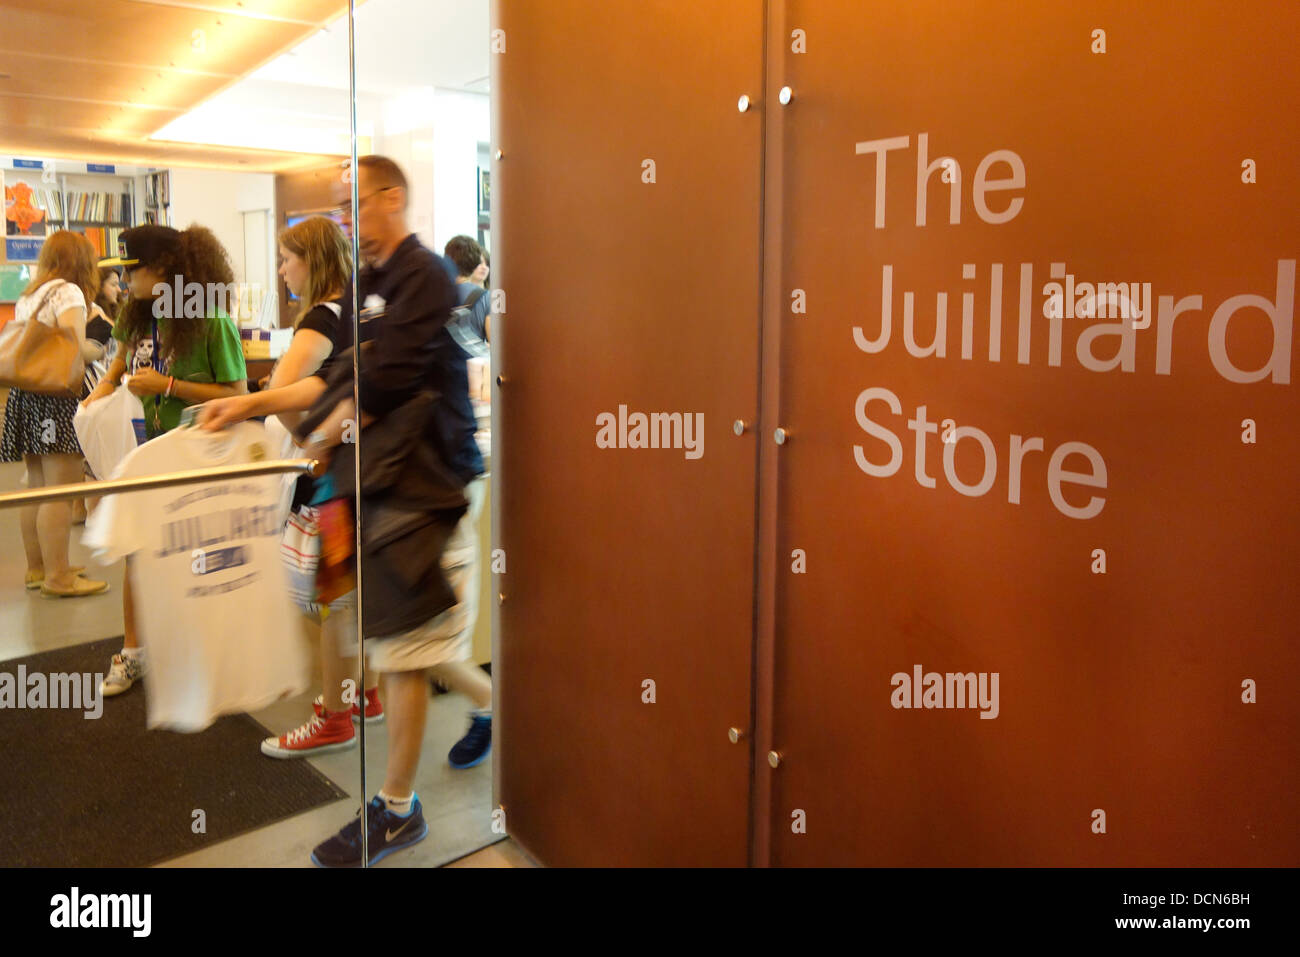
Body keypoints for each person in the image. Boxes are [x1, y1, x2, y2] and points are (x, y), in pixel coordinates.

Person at [200, 155, 487, 866]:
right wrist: (253, 403)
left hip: (430, 494)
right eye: (341, 208)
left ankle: (397, 809)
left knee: (405, 655)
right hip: (385, 491)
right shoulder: (369, 284)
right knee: (404, 649)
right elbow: (339, 376)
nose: (349, 219)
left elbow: (380, 383)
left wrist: (321, 441)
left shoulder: (426, 277)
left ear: (394, 198)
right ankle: (476, 721)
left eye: (357, 203)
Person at [84, 224, 248, 695]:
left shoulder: (210, 319)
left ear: (164, 270)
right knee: (137, 551)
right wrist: (99, 395)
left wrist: (168, 386)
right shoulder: (137, 314)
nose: (126, 282)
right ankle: (134, 652)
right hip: (143, 452)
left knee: (194, 555)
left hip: (195, 458)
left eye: (133, 271)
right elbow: (119, 362)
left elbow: (236, 394)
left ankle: (201, 651)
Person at [256, 215, 388, 757]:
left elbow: (279, 394)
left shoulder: (320, 318)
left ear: (310, 259)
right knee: (356, 589)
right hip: (372, 471)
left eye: (287, 258)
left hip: (335, 480)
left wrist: (311, 445)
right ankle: (366, 694)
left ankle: (335, 716)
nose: (283, 269)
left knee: (333, 596)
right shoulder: (366, 308)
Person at [1, 231, 108, 597]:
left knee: (35, 486)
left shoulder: (30, 294)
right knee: (60, 491)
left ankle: (38, 567)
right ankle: (59, 576)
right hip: (56, 398)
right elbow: (73, 346)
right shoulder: (69, 293)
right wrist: (101, 349)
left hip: (26, 397)